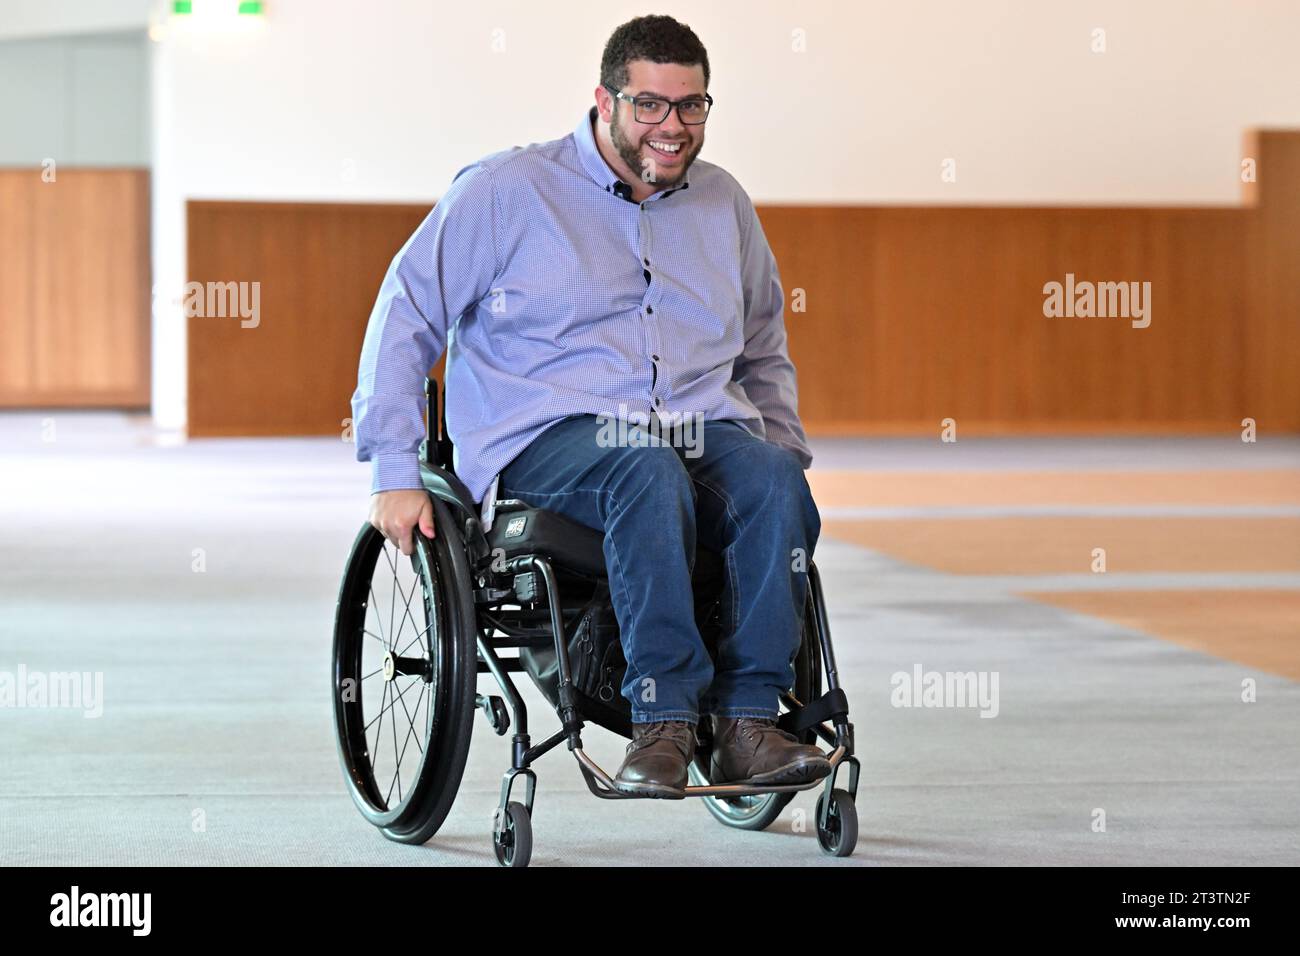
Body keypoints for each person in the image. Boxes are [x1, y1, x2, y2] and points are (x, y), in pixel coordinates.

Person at [352, 14, 828, 798]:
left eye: (692, 106)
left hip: (694, 425)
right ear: (603, 102)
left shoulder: (724, 205)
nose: (673, 127)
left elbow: (763, 342)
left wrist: (778, 450)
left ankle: (748, 723)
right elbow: (406, 313)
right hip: (551, 434)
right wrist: (394, 466)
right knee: (641, 470)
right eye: (650, 105)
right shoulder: (507, 191)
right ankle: (663, 719)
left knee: (775, 479)